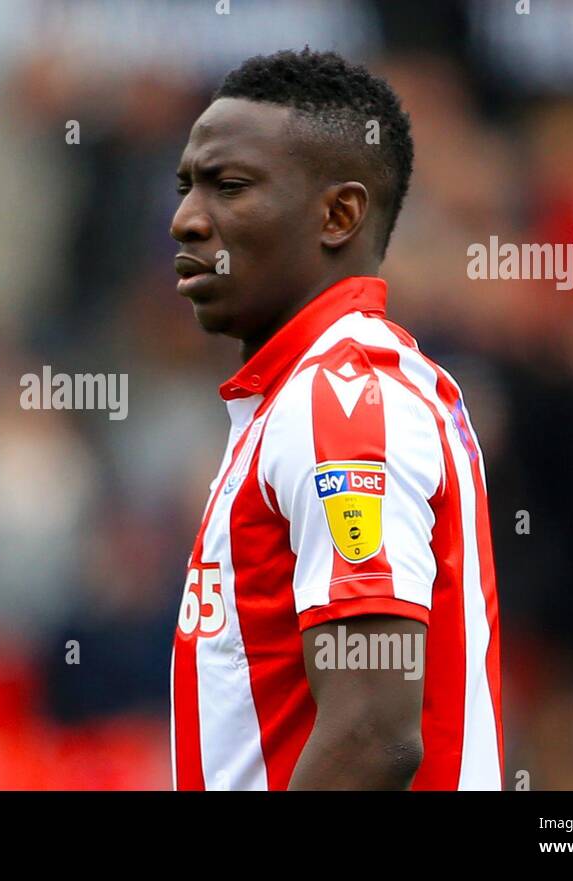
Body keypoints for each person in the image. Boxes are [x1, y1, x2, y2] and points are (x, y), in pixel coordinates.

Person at [169, 48, 502, 790]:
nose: (186, 220)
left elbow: (373, 732)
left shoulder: (342, 406)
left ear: (339, 214)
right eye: (186, 185)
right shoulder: (302, 401)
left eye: (229, 186)